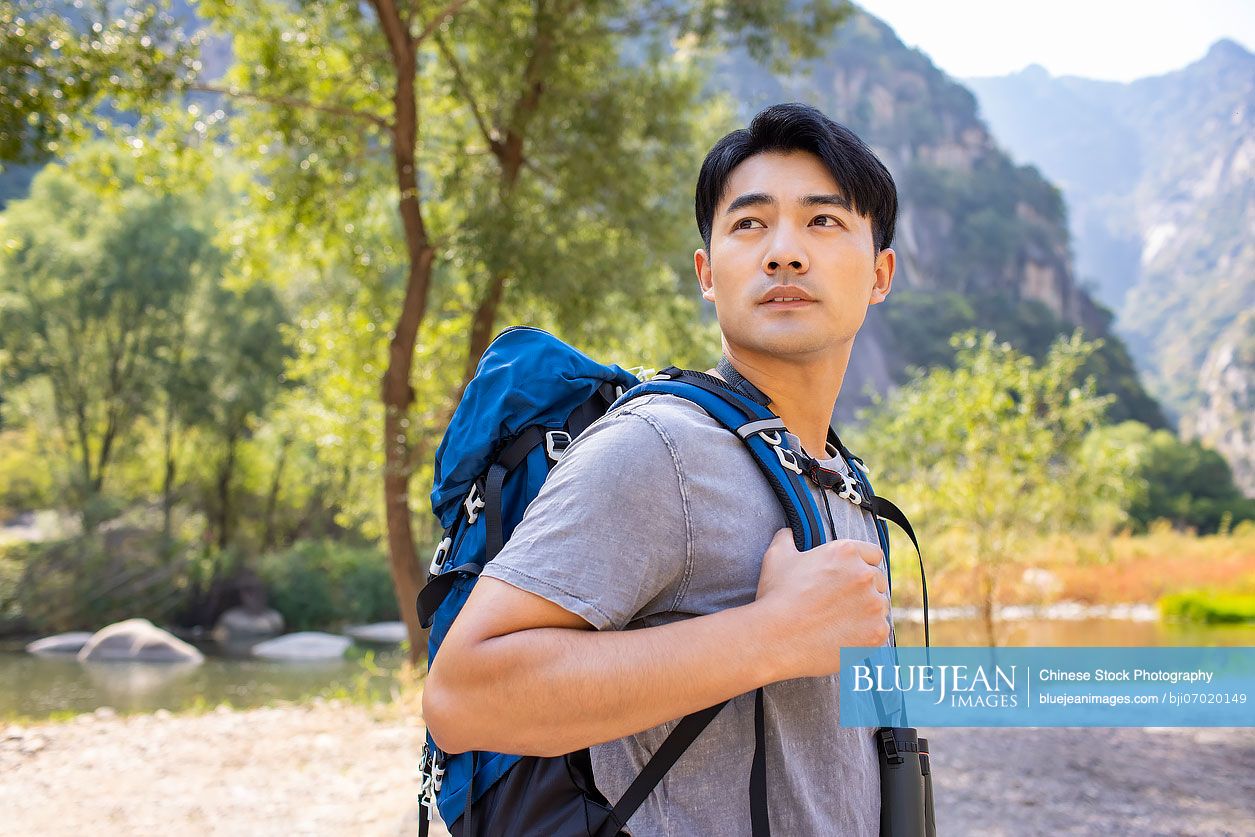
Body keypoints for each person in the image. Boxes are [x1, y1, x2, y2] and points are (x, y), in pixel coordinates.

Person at [423, 101, 899, 836]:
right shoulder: (658, 449)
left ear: (879, 274)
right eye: (749, 223)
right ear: (707, 273)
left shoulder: (842, 477)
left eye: (823, 220)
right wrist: (771, 635)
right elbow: (462, 698)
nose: (784, 252)